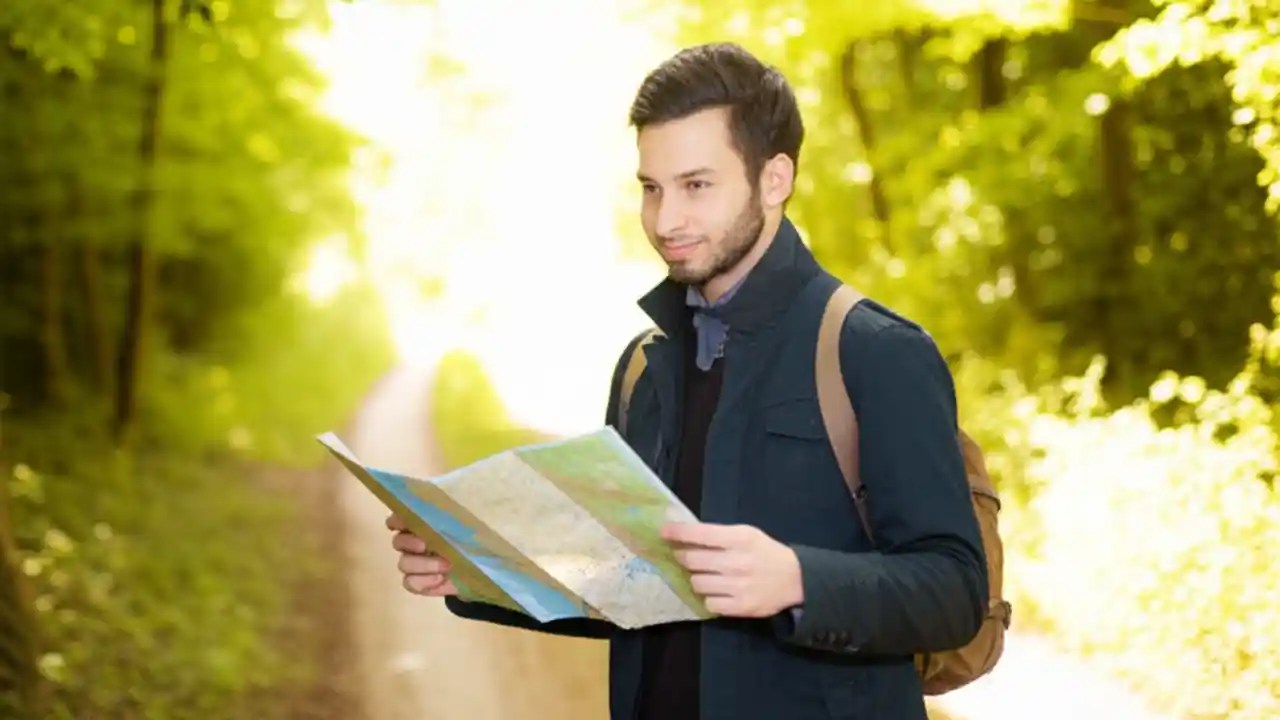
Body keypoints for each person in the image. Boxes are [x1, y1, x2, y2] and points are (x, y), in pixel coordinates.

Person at [386, 41, 987, 720]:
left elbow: (955, 591)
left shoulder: (875, 352)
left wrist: (797, 580)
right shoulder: (643, 367)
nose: (665, 219)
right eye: (651, 188)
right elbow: (627, 586)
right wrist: (475, 567)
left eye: (696, 186)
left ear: (774, 179)